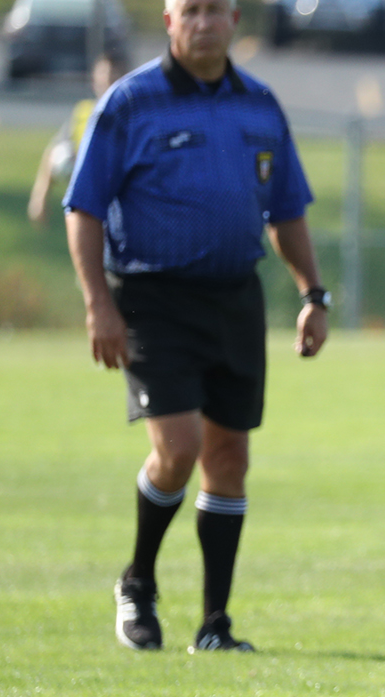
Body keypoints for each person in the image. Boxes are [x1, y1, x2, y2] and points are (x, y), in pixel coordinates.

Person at [63, 0, 331, 653]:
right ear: (168, 20)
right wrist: (99, 303)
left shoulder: (261, 106)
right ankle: (138, 583)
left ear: (236, 20)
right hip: (152, 299)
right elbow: (84, 207)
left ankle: (215, 625)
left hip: (235, 298)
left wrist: (313, 294)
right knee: (179, 447)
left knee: (230, 459)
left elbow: (287, 209)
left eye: (217, 10)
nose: (205, 21)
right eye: (192, 10)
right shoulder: (131, 103)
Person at [27, 55, 125, 225]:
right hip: (88, 206)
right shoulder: (83, 113)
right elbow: (54, 152)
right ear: (94, 81)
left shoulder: (133, 117)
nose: (108, 82)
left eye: (113, 77)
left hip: (122, 205)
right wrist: (40, 197)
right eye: (103, 76)